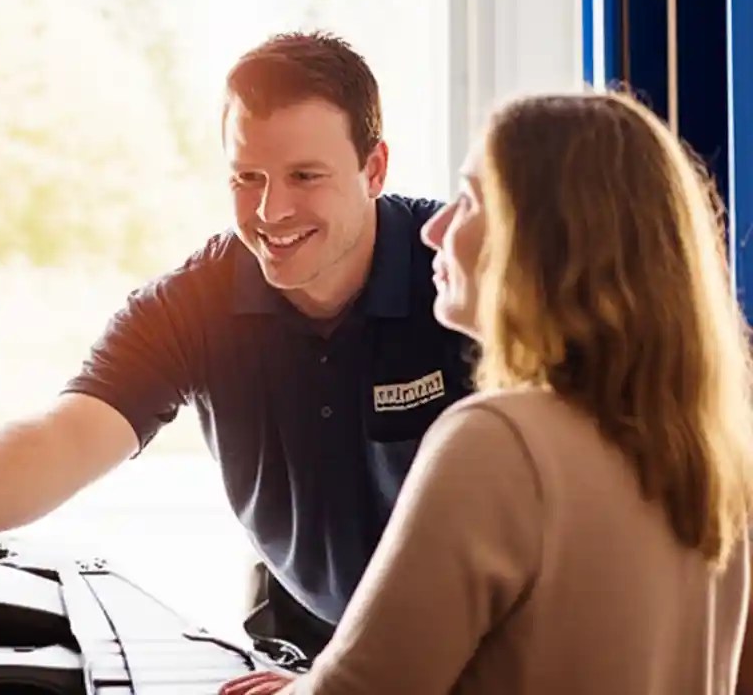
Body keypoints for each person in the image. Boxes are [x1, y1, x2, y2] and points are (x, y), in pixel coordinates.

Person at [0, 31, 475, 658]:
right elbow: (69, 434)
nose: (271, 212)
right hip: (303, 643)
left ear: (374, 168)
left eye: (305, 176)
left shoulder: (460, 273)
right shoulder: (198, 302)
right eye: (248, 178)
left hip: (474, 644)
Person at [221, 90, 753, 695]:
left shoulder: (499, 441)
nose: (433, 228)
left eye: (471, 200)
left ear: (548, 242)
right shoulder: (712, 451)